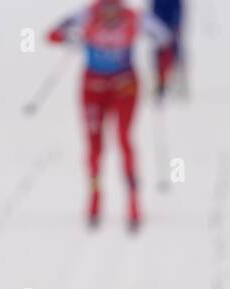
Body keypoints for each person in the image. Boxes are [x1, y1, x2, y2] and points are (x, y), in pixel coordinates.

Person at [48, 0, 172, 230]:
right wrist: (72, 39)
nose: (109, 12)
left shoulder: (135, 17)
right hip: (93, 88)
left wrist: (162, 75)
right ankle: (94, 198)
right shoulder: (87, 14)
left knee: (124, 139)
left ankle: (134, 202)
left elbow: (165, 39)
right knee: (94, 144)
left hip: (124, 86)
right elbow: (52, 34)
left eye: (113, 6)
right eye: (105, 7)